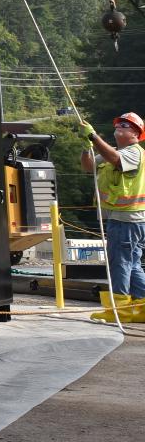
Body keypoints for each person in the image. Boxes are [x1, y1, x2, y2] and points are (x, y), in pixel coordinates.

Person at [80, 110, 145, 303]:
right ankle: (142, 303)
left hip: (127, 219)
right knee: (131, 264)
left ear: (136, 134)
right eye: (117, 125)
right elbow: (88, 166)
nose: (118, 127)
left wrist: (93, 136)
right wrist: (86, 146)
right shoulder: (117, 153)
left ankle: (120, 307)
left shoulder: (135, 153)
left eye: (124, 125)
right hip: (125, 219)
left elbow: (116, 160)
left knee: (120, 262)